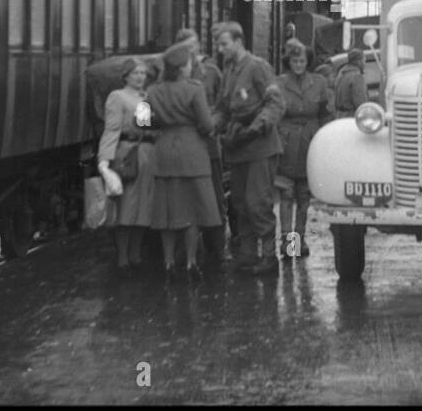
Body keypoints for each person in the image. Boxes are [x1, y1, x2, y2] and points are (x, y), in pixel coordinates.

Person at [213, 21, 286, 275]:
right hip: (239, 147)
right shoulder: (230, 70)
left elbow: (275, 103)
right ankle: (247, 254)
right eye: (218, 45)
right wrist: (210, 126)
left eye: (224, 44)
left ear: (238, 41)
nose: (220, 49)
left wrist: (256, 127)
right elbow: (223, 107)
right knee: (241, 202)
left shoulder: (257, 67)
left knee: (258, 202)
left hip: (259, 147)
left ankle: (268, 257)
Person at [146, 40, 222, 284]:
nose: (191, 67)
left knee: (167, 212)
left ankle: (168, 263)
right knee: (193, 211)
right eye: (189, 63)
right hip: (192, 152)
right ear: (181, 68)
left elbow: (140, 122)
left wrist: (162, 123)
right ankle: (190, 262)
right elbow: (208, 125)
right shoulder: (194, 89)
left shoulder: (153, 91)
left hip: (164, 151)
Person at [275, 39, 333, 259]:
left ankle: (299, 240)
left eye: (302, 60)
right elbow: (274, 112)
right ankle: (287, 243)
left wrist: (327, 137)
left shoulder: (318, 82)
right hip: (287, 142)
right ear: (288, 62)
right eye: (294, 60)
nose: (298, 64)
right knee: (287, 194)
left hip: (311, 141)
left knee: (304, 195)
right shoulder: (279, 83)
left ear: (308, 61)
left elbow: (326, 112)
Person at [97, 59, 156, 274]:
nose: (140, 77)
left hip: (146, 155)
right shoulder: (117, 97)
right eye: (135, 73)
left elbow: (145, 127)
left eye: (143, 72)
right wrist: (104, 160)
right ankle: (123, 258)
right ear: (125, 76)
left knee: (143, 207)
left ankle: (136, 255)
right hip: (127, 155)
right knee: (126, 207)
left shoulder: (144, 97)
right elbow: (111, 129)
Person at [334, 49, 369, 119]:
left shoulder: (341, 73)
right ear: (359, 61)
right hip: (351, 117)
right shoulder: (357, 77)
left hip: (339, 115)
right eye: (364, 60)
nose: (365, 64)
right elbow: (360, 103)